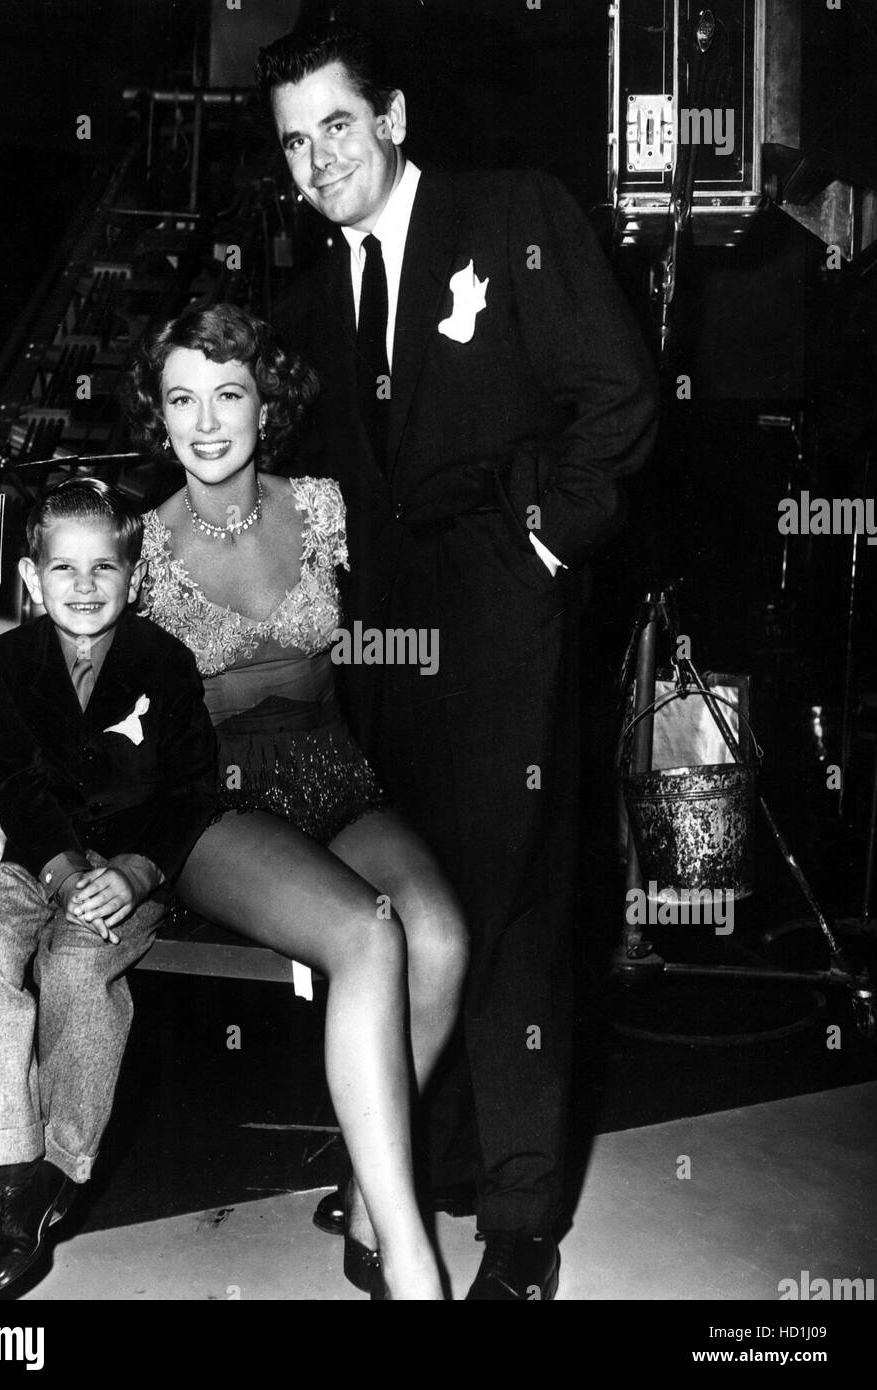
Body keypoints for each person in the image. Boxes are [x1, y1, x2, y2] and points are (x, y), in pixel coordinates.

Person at [257, 23, 660, 1298]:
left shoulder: (512, 215)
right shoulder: (314, 297)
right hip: (374, 648)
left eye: (336, 124)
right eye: (293, 142)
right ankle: (410, 1172)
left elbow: (624, 397)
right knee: (411, 913)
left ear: (392, 117)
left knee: (515, 911)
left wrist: (545, 549)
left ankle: (523, 1222)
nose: (318, 160)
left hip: (501, 619)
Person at [0, 302, 470, 1301]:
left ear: (263, 400)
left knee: (441, 937)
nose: (205, 421)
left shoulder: (326, 507)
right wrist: (5, 797)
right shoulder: (136, 547)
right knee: (371, 937)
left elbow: (431, 591)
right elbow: (61, 686)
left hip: (333, 778)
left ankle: (371, 1197)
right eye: (181, 397)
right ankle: (412, 1266)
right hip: (215, 804)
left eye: (227, 393)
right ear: (157, 411)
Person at [0, 476, 218, 1296]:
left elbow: (193, 790)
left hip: (128, 869)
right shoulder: (8, 659)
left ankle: (56, 1169)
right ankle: (3, 1157)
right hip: (35, 856)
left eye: (105, 569)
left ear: (134, 579)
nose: (86, 587)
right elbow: (18, 783)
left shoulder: (164, 663)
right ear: (31, 580)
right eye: (64, 570)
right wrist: (60, 869)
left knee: (74, 967)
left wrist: (134, 873)